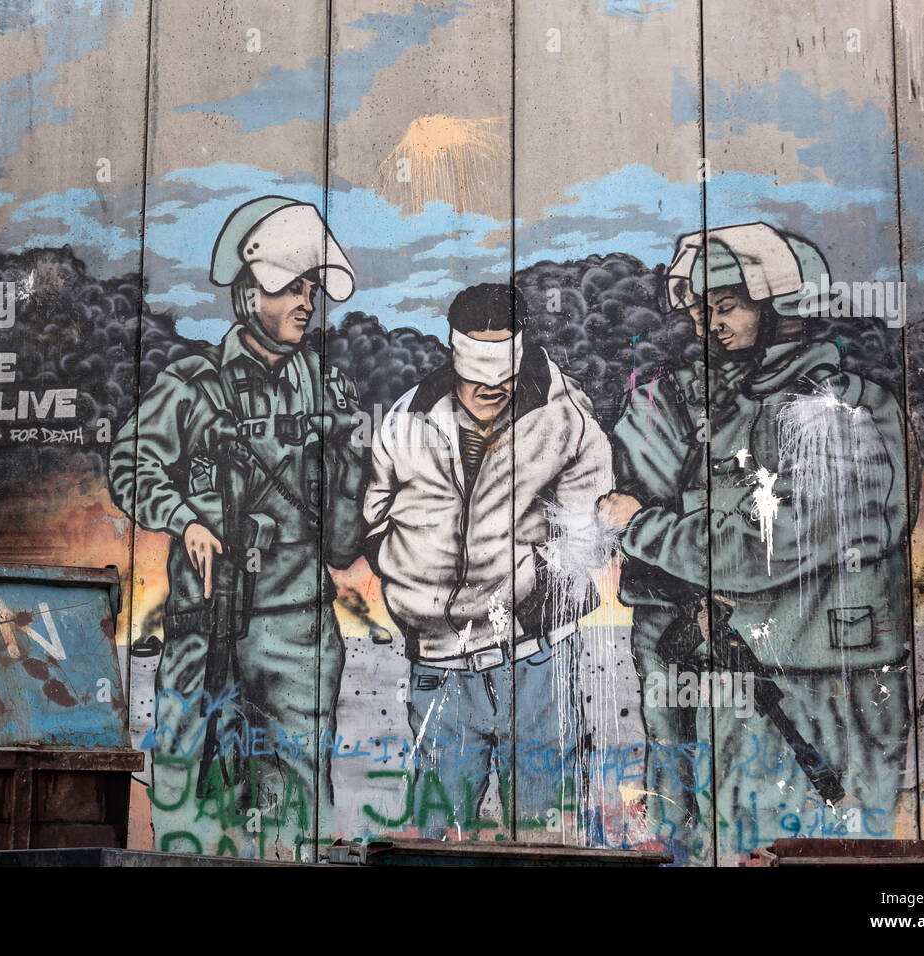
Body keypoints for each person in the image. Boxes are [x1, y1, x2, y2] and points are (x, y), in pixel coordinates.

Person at [599, 222, 915, 858]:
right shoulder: (726, 407)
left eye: (727, 306)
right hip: (743, 681)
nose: (706, 324)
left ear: (784, 307)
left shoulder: (843, 413)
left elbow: (766, 545)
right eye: (699, 310)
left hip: (827, 689)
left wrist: (643, 526)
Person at [107, 196, 366, 858]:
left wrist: (350, 458)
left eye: (312, 290)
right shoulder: (192, 386)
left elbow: (343, 542)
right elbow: (131, 464)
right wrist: (184, 516)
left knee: (297, 809)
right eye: (288, 289)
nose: (305, 304)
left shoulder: (331, 395)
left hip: (297, 631)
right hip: (204, 626)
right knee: (187, 798)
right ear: (249, 295)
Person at [363, 282, 612, 836]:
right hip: (438, 663)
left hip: (533, 660)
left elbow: (588, 526)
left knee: (545, 830)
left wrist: (533, 591)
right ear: (454, 352)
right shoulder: (408, 421)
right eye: (477, 369)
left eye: (503, 369)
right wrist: (414, 593)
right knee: (438, 836)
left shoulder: (562, 417)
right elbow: (375, 515)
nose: (491, 386)